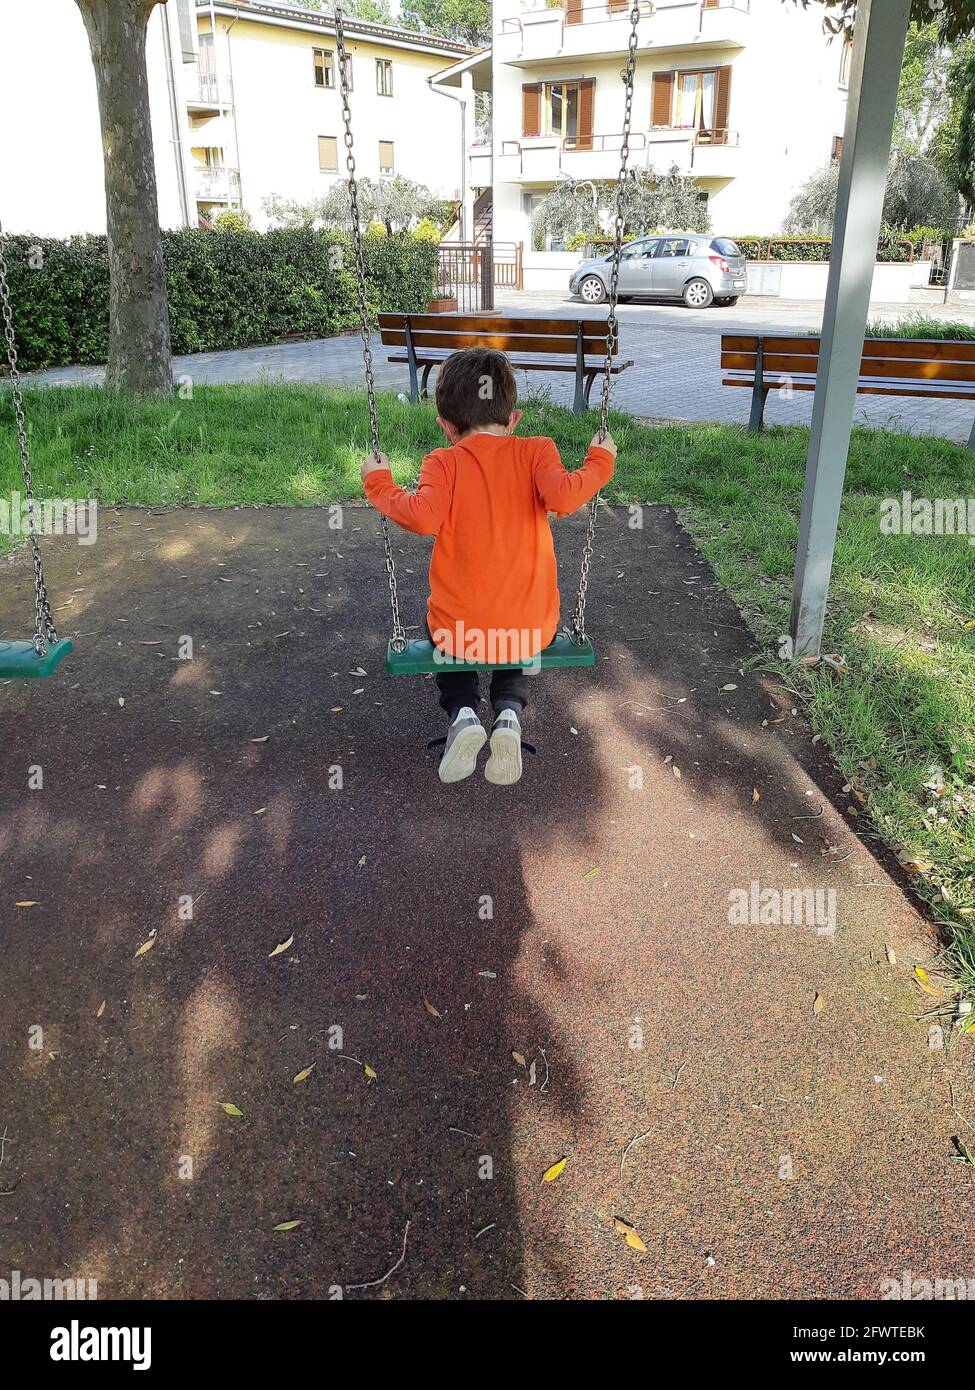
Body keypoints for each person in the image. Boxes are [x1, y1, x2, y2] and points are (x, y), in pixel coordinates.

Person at [362, 348, 616, 785]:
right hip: (530, 628)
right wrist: (601, 459)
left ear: (445, 427)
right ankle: (509, 715)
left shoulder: (442, 461)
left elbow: (421, 516)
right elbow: (566, 496)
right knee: (515, 629)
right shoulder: (538, 451)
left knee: (444, 624)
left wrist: (378, 482)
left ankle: (463, 712)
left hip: (460, 630)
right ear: (513, 419)